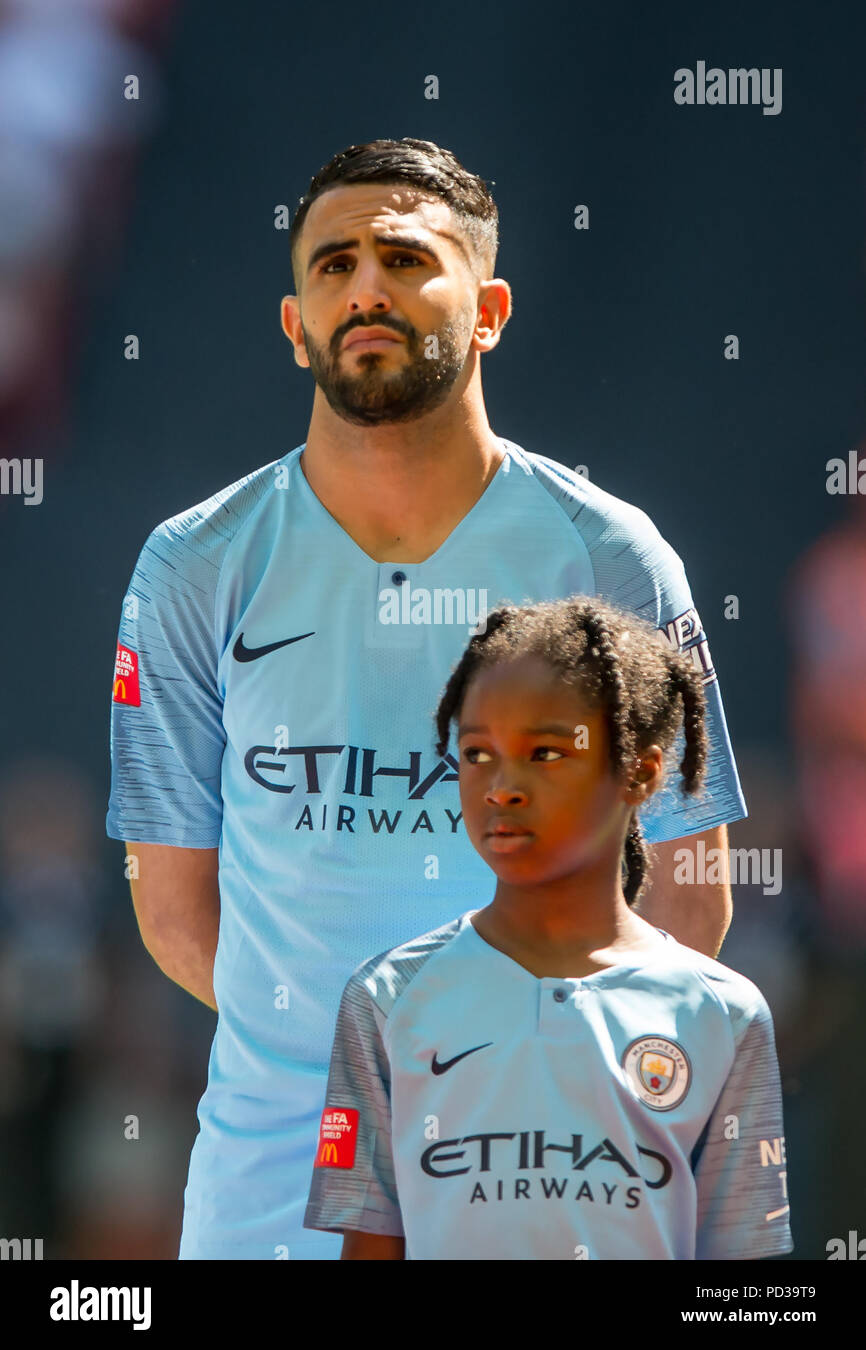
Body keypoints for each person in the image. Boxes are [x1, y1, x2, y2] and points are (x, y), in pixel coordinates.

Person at [105, 137, 746, 1260]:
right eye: (333, 263)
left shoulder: (609, 559)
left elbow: (692, 894)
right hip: (268, 1205)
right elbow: (172, 908)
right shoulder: (193, 566)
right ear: (294, 321)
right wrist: (340, 1052)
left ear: (489, 307)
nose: (365, 287)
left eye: (404, 258)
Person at [304, 596, 792, 1260]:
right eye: (477, 753)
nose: (502, 786)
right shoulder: (387, 999)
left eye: (544, 752)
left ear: (642, 769)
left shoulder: (724, 1015)